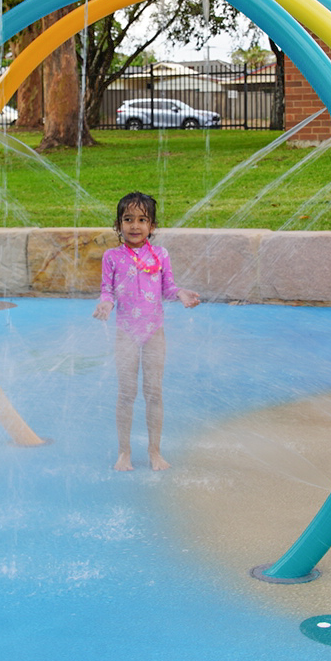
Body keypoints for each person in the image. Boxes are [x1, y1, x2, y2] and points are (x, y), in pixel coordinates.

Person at [93, 191, 199, 471]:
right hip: (126, 332)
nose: (135, 226)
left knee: (154, 393)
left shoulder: (160, 255)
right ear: (118, 225)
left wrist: (181, 294)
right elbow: (107, 290)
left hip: (154, 332)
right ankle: (124, 453)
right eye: (128, 219)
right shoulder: (112, 257)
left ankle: (155, 451)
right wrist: (105, 304)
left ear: (152, 226)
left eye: (142, 220)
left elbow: (168, 288)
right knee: (126, 393)